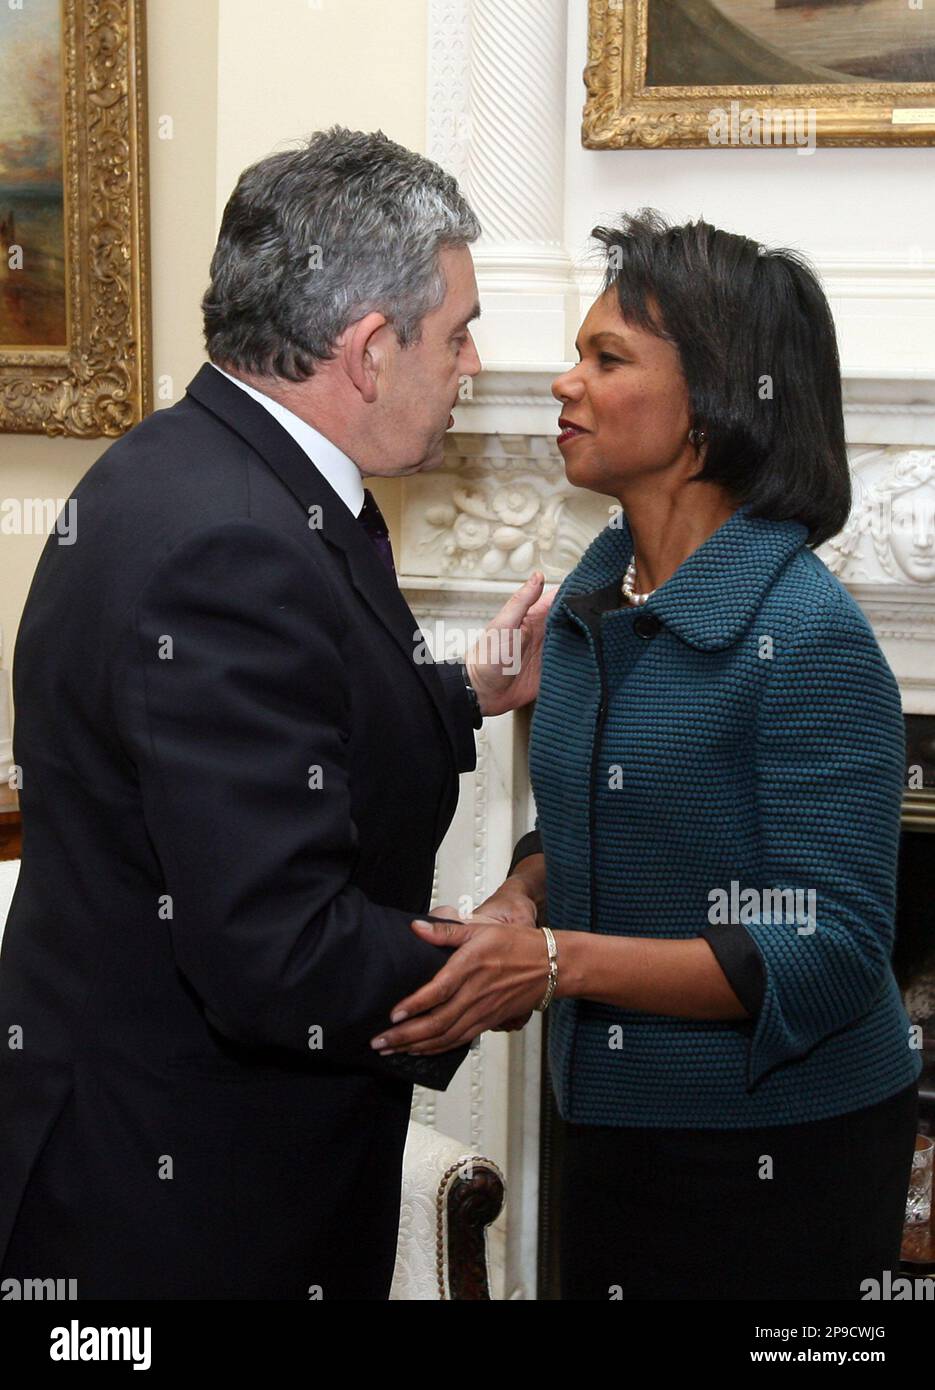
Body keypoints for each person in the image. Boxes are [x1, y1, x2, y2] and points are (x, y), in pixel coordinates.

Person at [0, 128, 553, 1300]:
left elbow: (284, 734)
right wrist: (497, 960)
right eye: (454, 334)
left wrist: (466, 689)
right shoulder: (234, 546)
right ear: (365, 350)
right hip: (177, 1208)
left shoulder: (201, 466)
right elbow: (275, 952)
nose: (469, 364)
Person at [372, 209, 923, 1301]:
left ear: (710, 411)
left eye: (605, 357)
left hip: (777, 1153)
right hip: (611, 1116)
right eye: (575, 352)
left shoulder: (807, 640)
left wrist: (552, 965)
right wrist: (523, 900)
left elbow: (824, 944)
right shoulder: (591, 602)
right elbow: (599, 823)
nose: (562, 383)